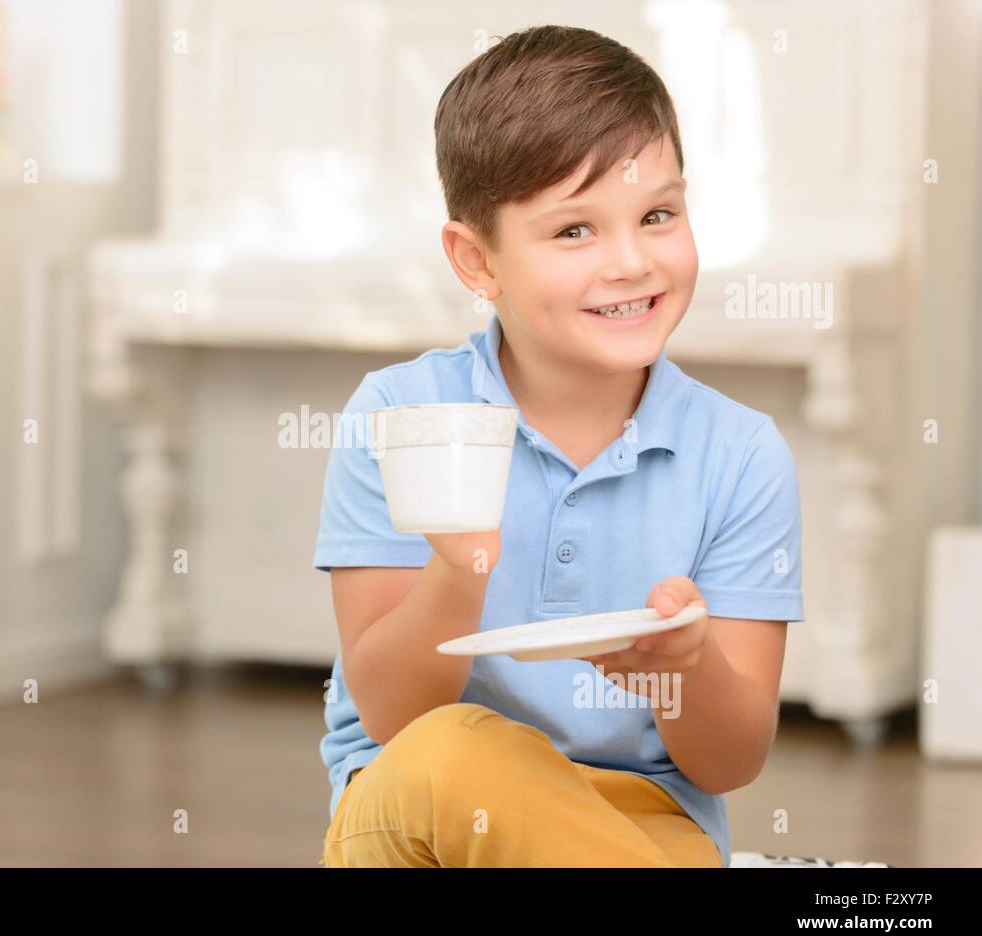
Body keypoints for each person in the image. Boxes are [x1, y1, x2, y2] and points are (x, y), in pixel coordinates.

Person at [314, 24, 804, 867]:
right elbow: (396, 718)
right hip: (423, 811)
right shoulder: (401, 413)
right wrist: (456, 566)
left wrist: (682, 666)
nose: (630, 262)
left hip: (636, 818)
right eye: (575, 231)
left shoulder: (741, 454)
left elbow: (731, 761)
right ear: (477, 261)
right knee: (457, 749)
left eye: (658, 215)